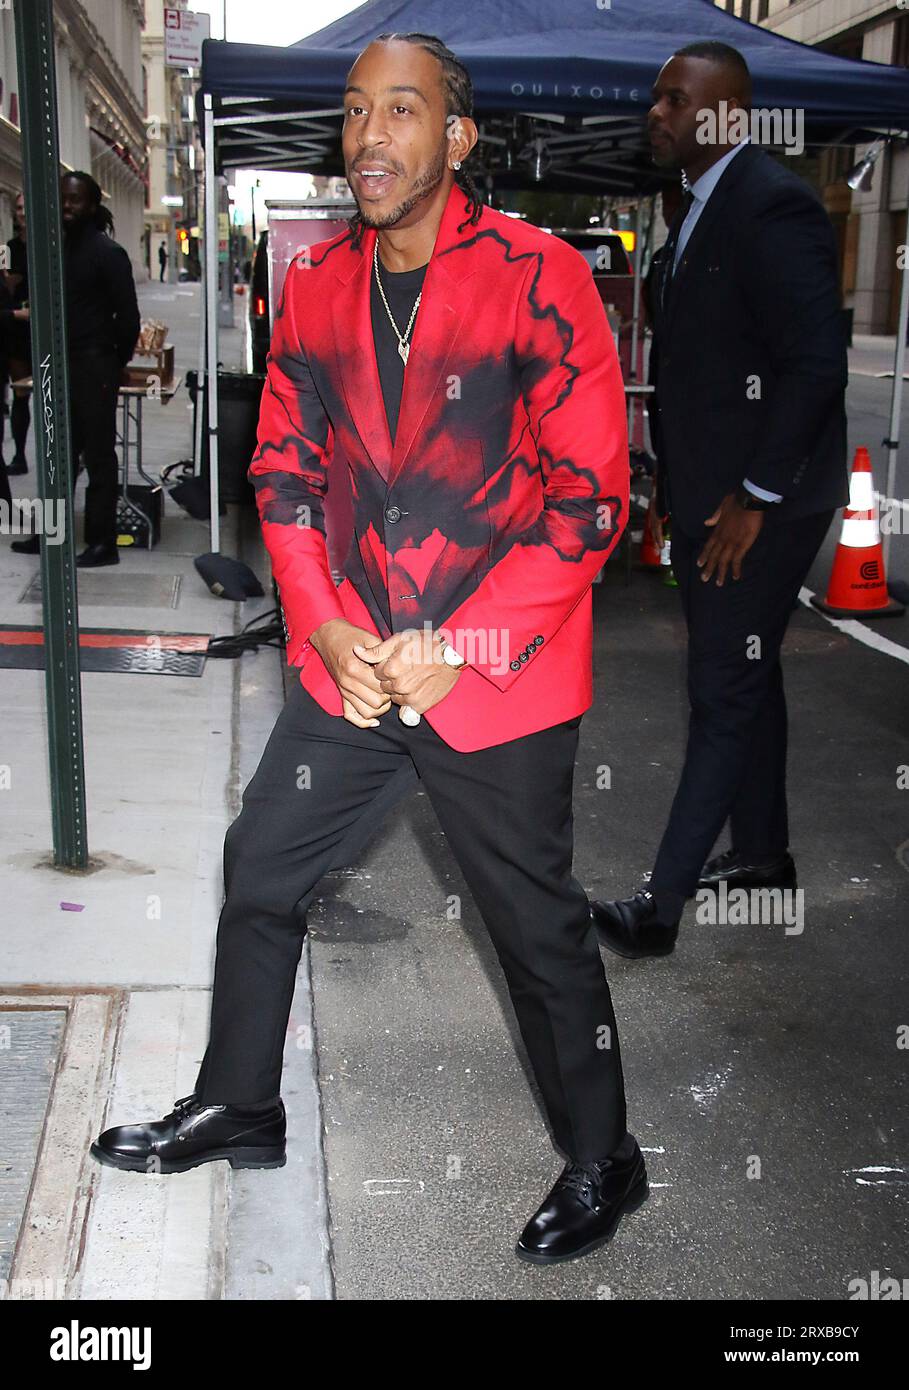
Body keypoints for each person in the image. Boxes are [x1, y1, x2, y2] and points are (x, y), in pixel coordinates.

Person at [90, 32, 648, 1266]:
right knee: (263, 862)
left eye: (404, 110)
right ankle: (242, 1097)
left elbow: (590, 503)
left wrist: (468, 639)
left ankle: (606, 1157)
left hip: (493, 676)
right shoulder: (319, 288)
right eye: (354, 111)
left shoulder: (541, 279)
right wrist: (327, 619)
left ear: (456, 139)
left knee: (535, 929)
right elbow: (281, 471)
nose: (372, 136)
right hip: (352, 667)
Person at [592, 42, 848, 959]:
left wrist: (753, 496)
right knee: (746, 670)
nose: (653, 112)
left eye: (673, 99)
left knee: (722, 689)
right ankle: (764, 856)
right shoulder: (694, 208)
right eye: (655, 96)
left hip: (761, 504)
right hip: (715, 492)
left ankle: (657, 910)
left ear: (727, 113)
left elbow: (813, 364)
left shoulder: (770, 202)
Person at [12, 172, 140, 566]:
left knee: (99, 454)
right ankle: (52, 533)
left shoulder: (107, 252)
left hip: (93, 363)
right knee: (55, 451)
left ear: (92, 204)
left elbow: (129, 318)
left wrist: (112, 361)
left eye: (75, 200)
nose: (67, 207)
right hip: (60, 365)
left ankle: (102, 543)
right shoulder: (53, 249)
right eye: (63, 200)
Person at [0, 191, 32, 476]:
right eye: (19, 208)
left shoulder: (49, 243)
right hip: (19, 330)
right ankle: (20, 455)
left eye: (27, 207)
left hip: (47, 327)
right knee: (21, 393)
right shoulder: (8, 248)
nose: (23, 212)